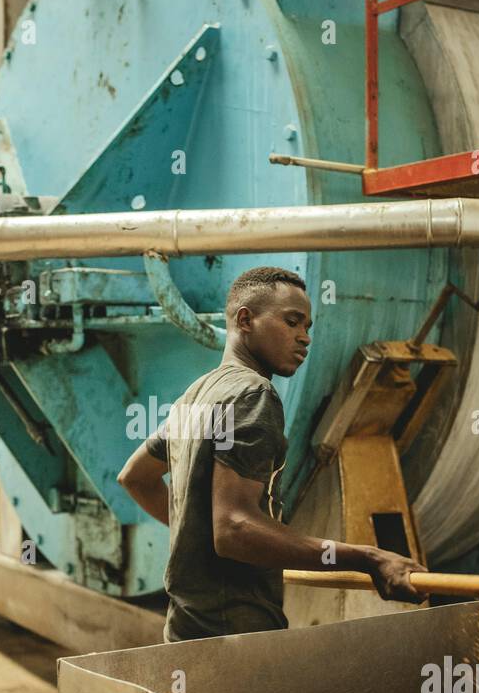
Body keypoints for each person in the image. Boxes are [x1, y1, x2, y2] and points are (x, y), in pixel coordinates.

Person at [117, 265, 427, 643]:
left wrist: (193, 532)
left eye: (308, 327)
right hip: (238, 633)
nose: (305, 338)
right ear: (245, 319)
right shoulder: (253, 395)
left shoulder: (198, 393)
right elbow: (233, 529)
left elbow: (136, 478)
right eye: (292, 322)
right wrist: (368, 558)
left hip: (185, 627)